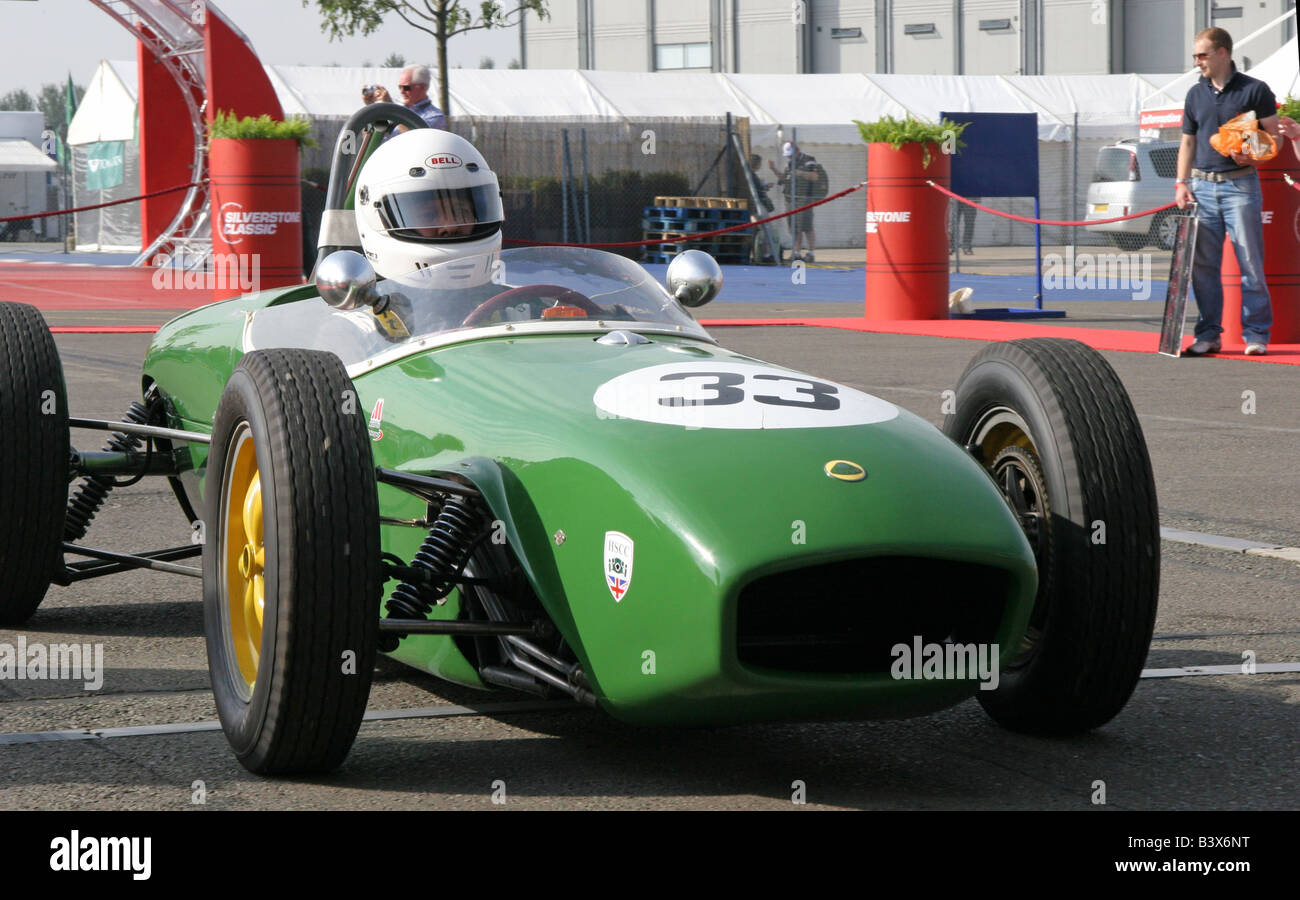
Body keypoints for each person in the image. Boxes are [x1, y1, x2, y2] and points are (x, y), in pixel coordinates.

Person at [1175, 27, 1280, 357]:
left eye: (1202, 55)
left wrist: (1248, 152)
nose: (1197, 62)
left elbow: (1272, 138)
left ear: (1223, 53)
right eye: (1195, 56)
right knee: (1203, 266)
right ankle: (1208, 334)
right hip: (1202, 186)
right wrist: (1181, 183)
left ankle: (1256, 333)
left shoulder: (1254, 90)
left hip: (1241, 184)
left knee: (1250, 261)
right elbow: (1187, 141)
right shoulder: (1195, 94)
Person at [353, 129, 505, 335]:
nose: (450, 226)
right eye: (428, 214)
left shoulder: (516, 307)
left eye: (462, 212)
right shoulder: (357, 330)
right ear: (375, 214)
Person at [768, 141, 825, 263]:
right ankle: (797, 252)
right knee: (794, 227)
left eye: (790, 155)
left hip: (804, 198)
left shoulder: (809, 160)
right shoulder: (789, 164)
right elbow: (784, 177)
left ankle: (811, 252)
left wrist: (801, 173)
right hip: (790, 199)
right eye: (788, 155)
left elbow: (815, 176)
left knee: (806, 226)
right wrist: (773, 169)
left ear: (797, 151)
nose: (789, 157)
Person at [361, 64, 448, 131]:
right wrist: (370, 109)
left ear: (422, 87)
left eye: (406, 88)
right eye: (400, 87)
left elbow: (414, 136)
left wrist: (391, 108)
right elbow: (369, 137)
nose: (402, 91)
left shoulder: (436, 117)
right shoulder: (397, 110)